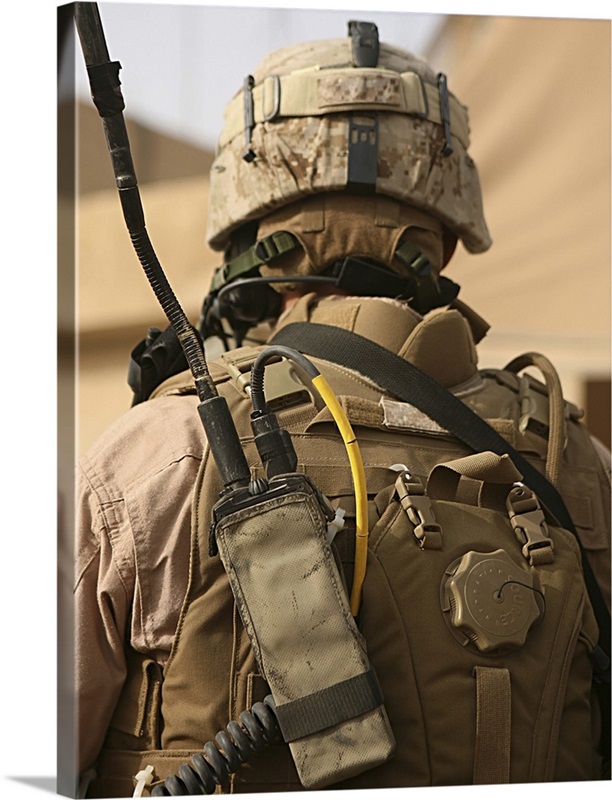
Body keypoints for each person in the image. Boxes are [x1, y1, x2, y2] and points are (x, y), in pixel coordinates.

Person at [75, 21, 611, 798]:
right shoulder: (577, 465)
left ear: (249, 227)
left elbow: (28, 755)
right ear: (449, 237)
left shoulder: (164, 450)